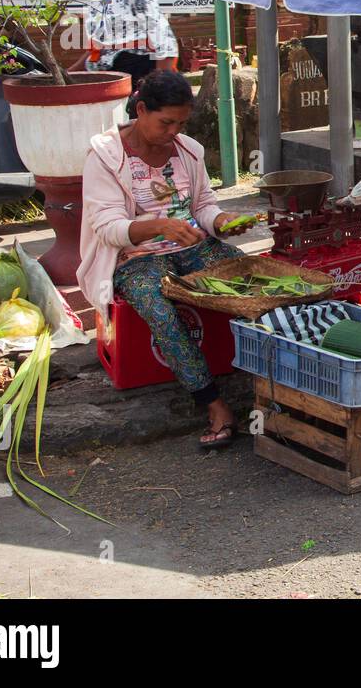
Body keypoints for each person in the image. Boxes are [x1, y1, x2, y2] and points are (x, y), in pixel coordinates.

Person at [77, 71, 255, 449]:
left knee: (255, 282)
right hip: (136, 258)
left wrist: (220, 221)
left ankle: (272, 386)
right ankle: (214, 404)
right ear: (140, 110)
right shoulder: (105, 158)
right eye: (166, 122)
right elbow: (108, 229)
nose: (174, 131)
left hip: (193, 247)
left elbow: (203, 205)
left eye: (181, 123)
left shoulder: (188, 151)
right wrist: (160, 227)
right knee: (161, 313)